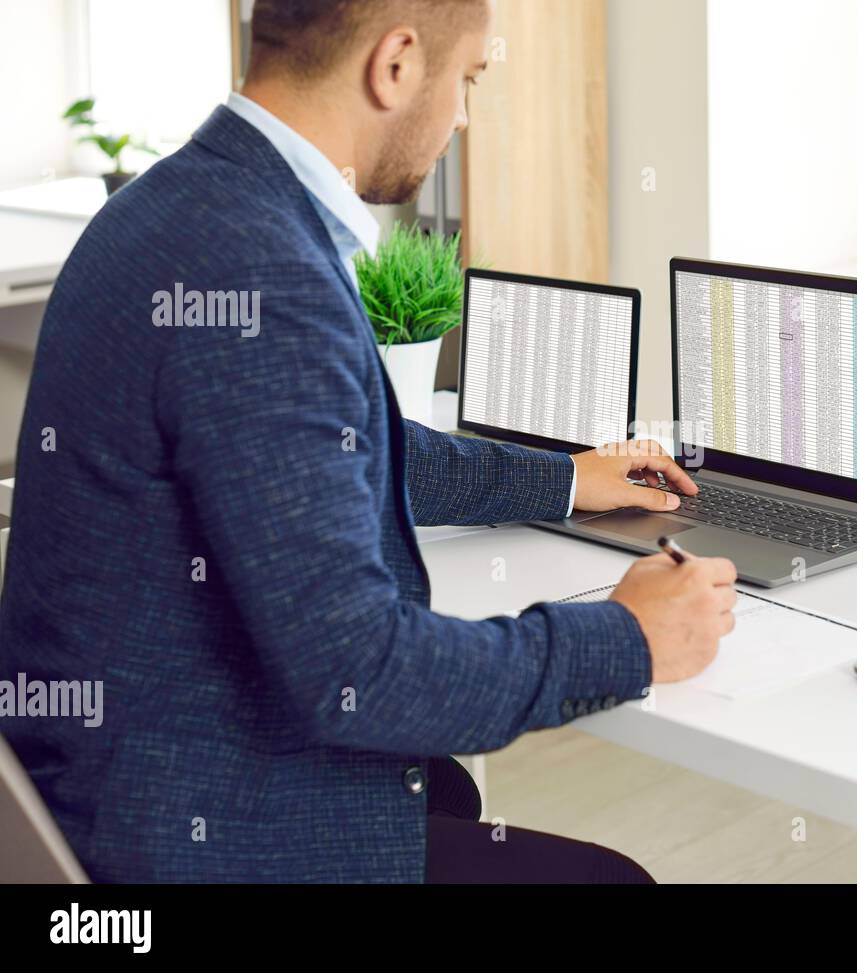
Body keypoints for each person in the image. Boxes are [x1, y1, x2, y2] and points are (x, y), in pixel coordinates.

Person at [0, 0, 737, 884]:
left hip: (99, 778)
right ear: (394, 66)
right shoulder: (262, 271)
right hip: (179, 838)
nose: (462, 118)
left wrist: (564, 480)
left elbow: (350, 447)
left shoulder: (180, 202)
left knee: (447, 797)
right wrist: (626, 637)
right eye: (464, 80)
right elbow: (363, 670)